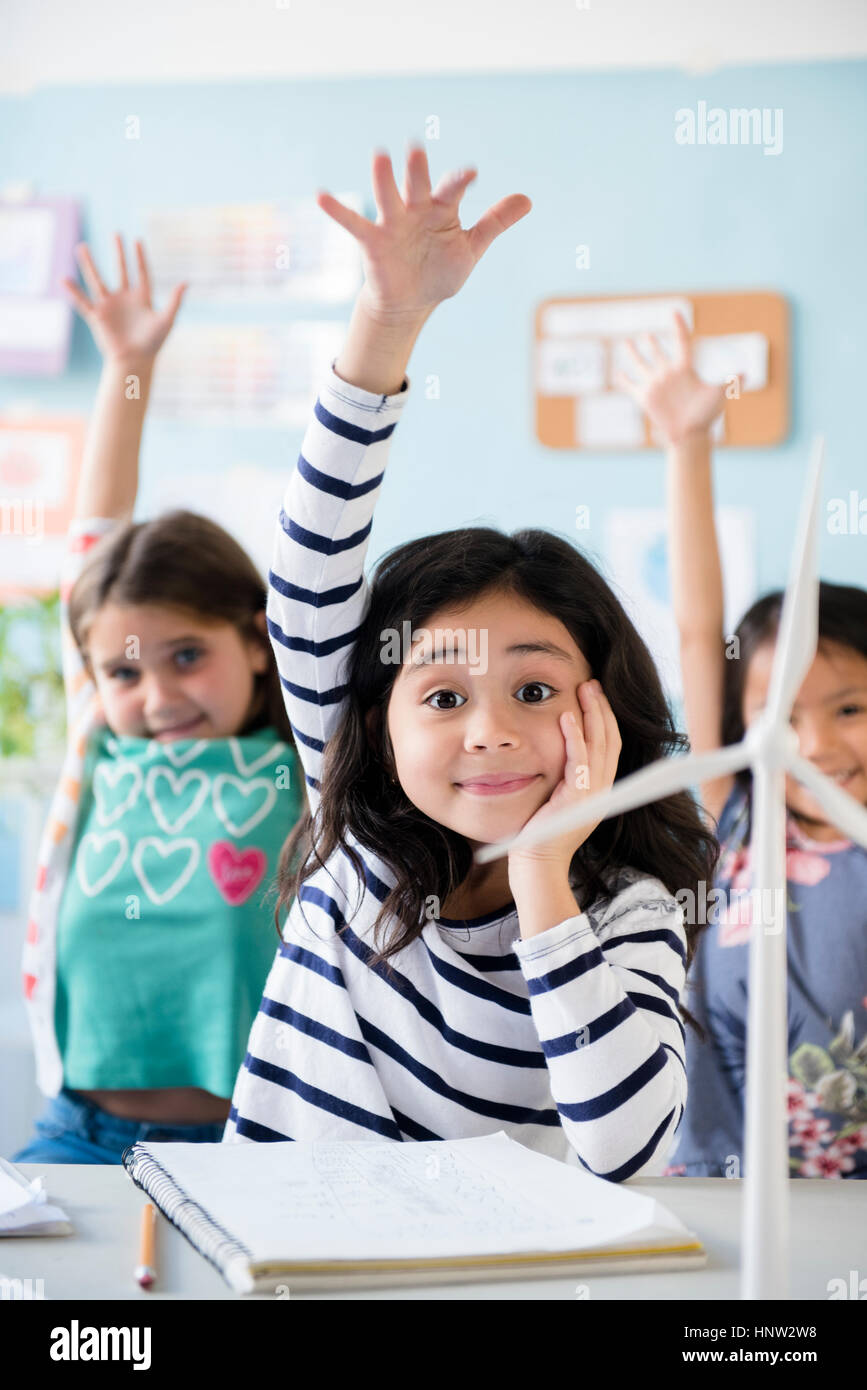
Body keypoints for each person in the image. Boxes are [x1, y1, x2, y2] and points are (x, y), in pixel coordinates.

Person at [223, 146, 718, 1180]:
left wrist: (541, 868)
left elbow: (626, 1148)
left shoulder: (629, 904)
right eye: (442, 694)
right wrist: (389, 322)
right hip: (288, 1261)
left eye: (534, 690)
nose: (488, 728)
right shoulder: (356, 828)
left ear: (602, 707)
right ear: (375, 722)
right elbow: (311, 575)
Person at [13, 236, 305, 1164]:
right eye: (126, 670)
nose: (157, 693)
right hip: (81, 1132)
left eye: (187, 655)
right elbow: (91, 551)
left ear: (258, 642)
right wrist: (128, 369)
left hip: (254, 1145)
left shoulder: (305, 765)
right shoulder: (100, 750)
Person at [617, 311, 867, 1178]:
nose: (812, 743)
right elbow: (695, 630)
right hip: (719, 1178)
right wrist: (686, 445)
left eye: (850, 709)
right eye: (777, 712)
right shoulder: (741, 806)